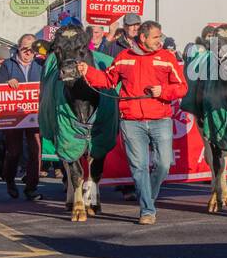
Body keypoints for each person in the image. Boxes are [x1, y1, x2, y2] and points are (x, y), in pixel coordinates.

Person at [77, 20, 187, 224]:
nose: (160, 40)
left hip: (160, 119)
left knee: (163, 165)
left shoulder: (167, 57)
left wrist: (163, 92)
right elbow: (108, 80)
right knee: (139, 167)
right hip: (131, 121)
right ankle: (147, 210)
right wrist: (88, 72)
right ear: (143, 37)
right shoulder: (123, 57)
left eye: (160, 36)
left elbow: (181, 87)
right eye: (156, 37)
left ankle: (148, 197)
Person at [0, 36, 44, 201]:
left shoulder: (40, 65)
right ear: (18, 48)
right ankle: (9, 180)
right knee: (14, 151)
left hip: (35, 115)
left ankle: (31, 188)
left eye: (32, 50)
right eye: (25, 49)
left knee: (35, 151)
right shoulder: (8, 65)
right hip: (13, 115)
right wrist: (7, 82)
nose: (28, 53)